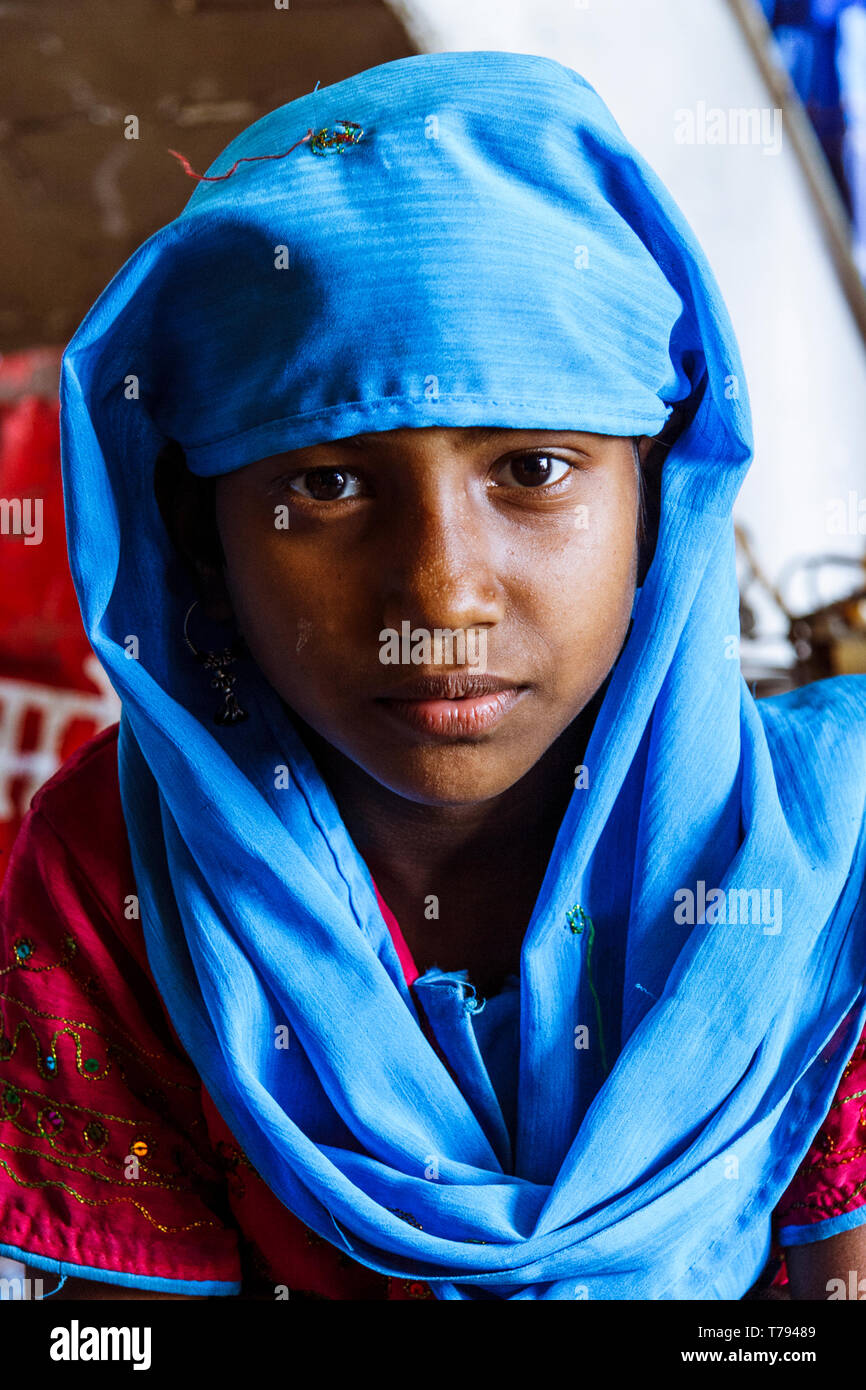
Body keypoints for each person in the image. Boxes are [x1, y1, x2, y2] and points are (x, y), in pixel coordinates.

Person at [1, 50, 865, 1302]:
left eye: (532, 468)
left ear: (659, 508)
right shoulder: (117, 877)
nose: (443, 595)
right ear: (202, 537)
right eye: (327, 483)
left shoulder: (827, 865)